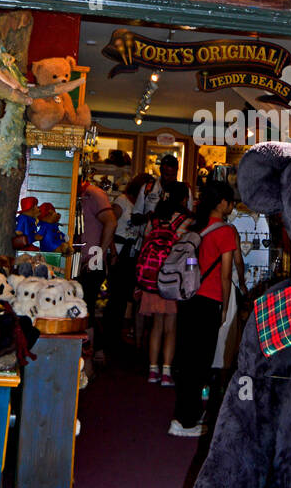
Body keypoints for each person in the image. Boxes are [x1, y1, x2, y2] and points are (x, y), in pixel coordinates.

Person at [170, 180, 238, 438]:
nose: (231, 206)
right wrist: (223, 306)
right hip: (209, 300)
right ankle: (187, 421)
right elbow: (225, 273)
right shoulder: (226, 232)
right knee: (201, 361)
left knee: (186, 356)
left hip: (187, 298)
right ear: (221, 203)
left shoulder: (193, 226)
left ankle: (182, 414)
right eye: (230, 201)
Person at [134, 183, 191, 385]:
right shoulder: (186, 221)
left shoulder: (155, 219)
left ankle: (152, 369)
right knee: (171, 327)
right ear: (184, 198)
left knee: (156, 325)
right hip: (173, 280)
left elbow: (144, 246)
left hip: (152, 279)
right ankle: (166, 372)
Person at [100, 172, 152, 354]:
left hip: (131, 253)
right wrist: (112, 251)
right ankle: (107, 338)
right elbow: (109, 225)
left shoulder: (141, 207)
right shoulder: (122, 202)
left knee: (122, 298)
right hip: (120, 252)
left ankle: (114, 337)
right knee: (116, 297)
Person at [77, 175, 117, 345]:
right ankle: (91, 354)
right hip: (84, 260)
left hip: (90, 260)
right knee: (85, 309)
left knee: (88, 310)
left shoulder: (93, 193)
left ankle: (88, 356)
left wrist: (98, 256)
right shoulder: (83, 193)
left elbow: (111, 222)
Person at [130, 153, 192, 238]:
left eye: (173, 175)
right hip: (149, 241)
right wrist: (148, 217)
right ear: (160, 170)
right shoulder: (148, 188)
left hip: (173, 243)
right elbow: (134, 218)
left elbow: (189, 218)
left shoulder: (184, 190)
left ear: (177, 171)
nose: (169, 178)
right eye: (166, 175)